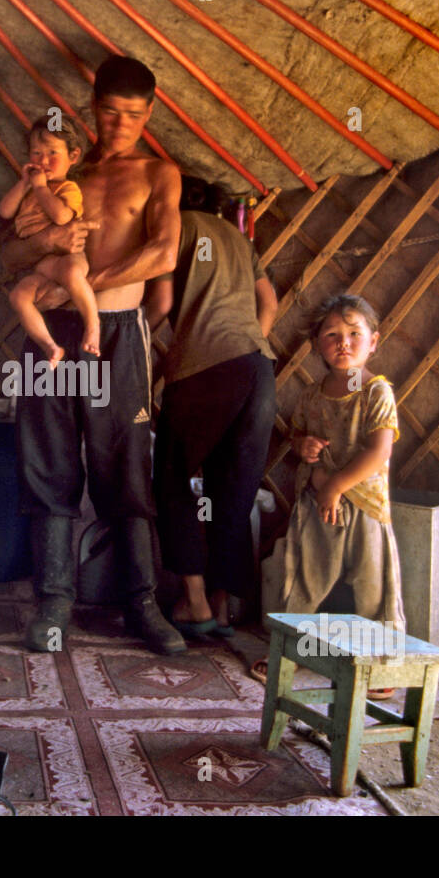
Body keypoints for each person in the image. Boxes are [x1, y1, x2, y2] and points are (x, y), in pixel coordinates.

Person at [2, 55, 184, 656]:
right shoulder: (54, 172)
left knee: (126, 461)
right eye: (109, 111)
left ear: (150, 112)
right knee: (46, 458)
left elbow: (162, 255)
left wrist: (84, 283)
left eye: (134, 114)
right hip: (48, 333)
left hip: (115, 334)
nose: (120, 123)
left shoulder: (159, 173)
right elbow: (6, 256)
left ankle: (142, 604)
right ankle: (53, 601)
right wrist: (51, 246)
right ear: (92, 108)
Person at [152, 179, 279, 639]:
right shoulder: (239, 241)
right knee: (234, 494)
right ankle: (225, 607)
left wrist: (133, 336)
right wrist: (250, 343)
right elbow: (270, 302)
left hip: (202, 371)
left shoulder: (173, 228)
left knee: (172, 479)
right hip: (258, 369)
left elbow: (162, 303)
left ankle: (195, 601)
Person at [277, 294, 405, 697]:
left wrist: (335, 485)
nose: (343, 343)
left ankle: (382, 666)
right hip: (318, 505)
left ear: (374, 341)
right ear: (317, 343)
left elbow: (378, 451)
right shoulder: (312, 395)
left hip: (365, 507)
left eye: (354, 333)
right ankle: (288, 653)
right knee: (303, 578)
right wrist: (303, 448)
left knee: (375, 588)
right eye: (331, 334)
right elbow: (296, 436)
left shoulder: (376, 393)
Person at [0, 120, 99, 364]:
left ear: (73, 156)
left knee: (73, 273)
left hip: (66, 257)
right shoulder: (29, 189)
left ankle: (93, 324)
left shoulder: (68, 187)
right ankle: (51, 346)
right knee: (18, 297)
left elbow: (62, 216)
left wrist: (42, 188)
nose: (43, 160)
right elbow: (4, 211)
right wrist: (25, 183)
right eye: (37, 153)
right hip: (42, 264)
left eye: (53, 153)